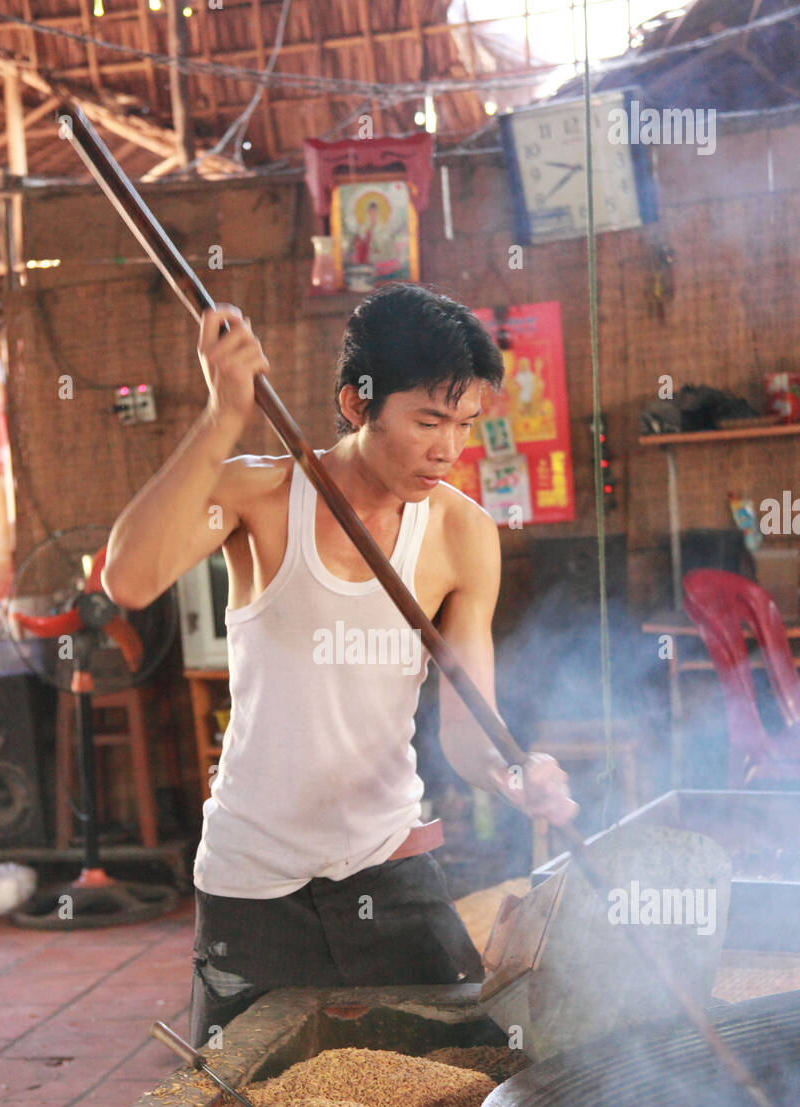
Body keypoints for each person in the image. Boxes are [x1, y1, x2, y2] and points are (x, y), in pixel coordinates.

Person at [102, 284, 577, 1047]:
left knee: (471, 1082)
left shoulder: (463, 535)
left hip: (386, 866)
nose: (448, 449)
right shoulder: (261, 495)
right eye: (427, 420)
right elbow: (125, 579)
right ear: (357, 405)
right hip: (253, 884)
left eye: (464, 423)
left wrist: (512, 772)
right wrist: (222, 415)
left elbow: (468, 726)